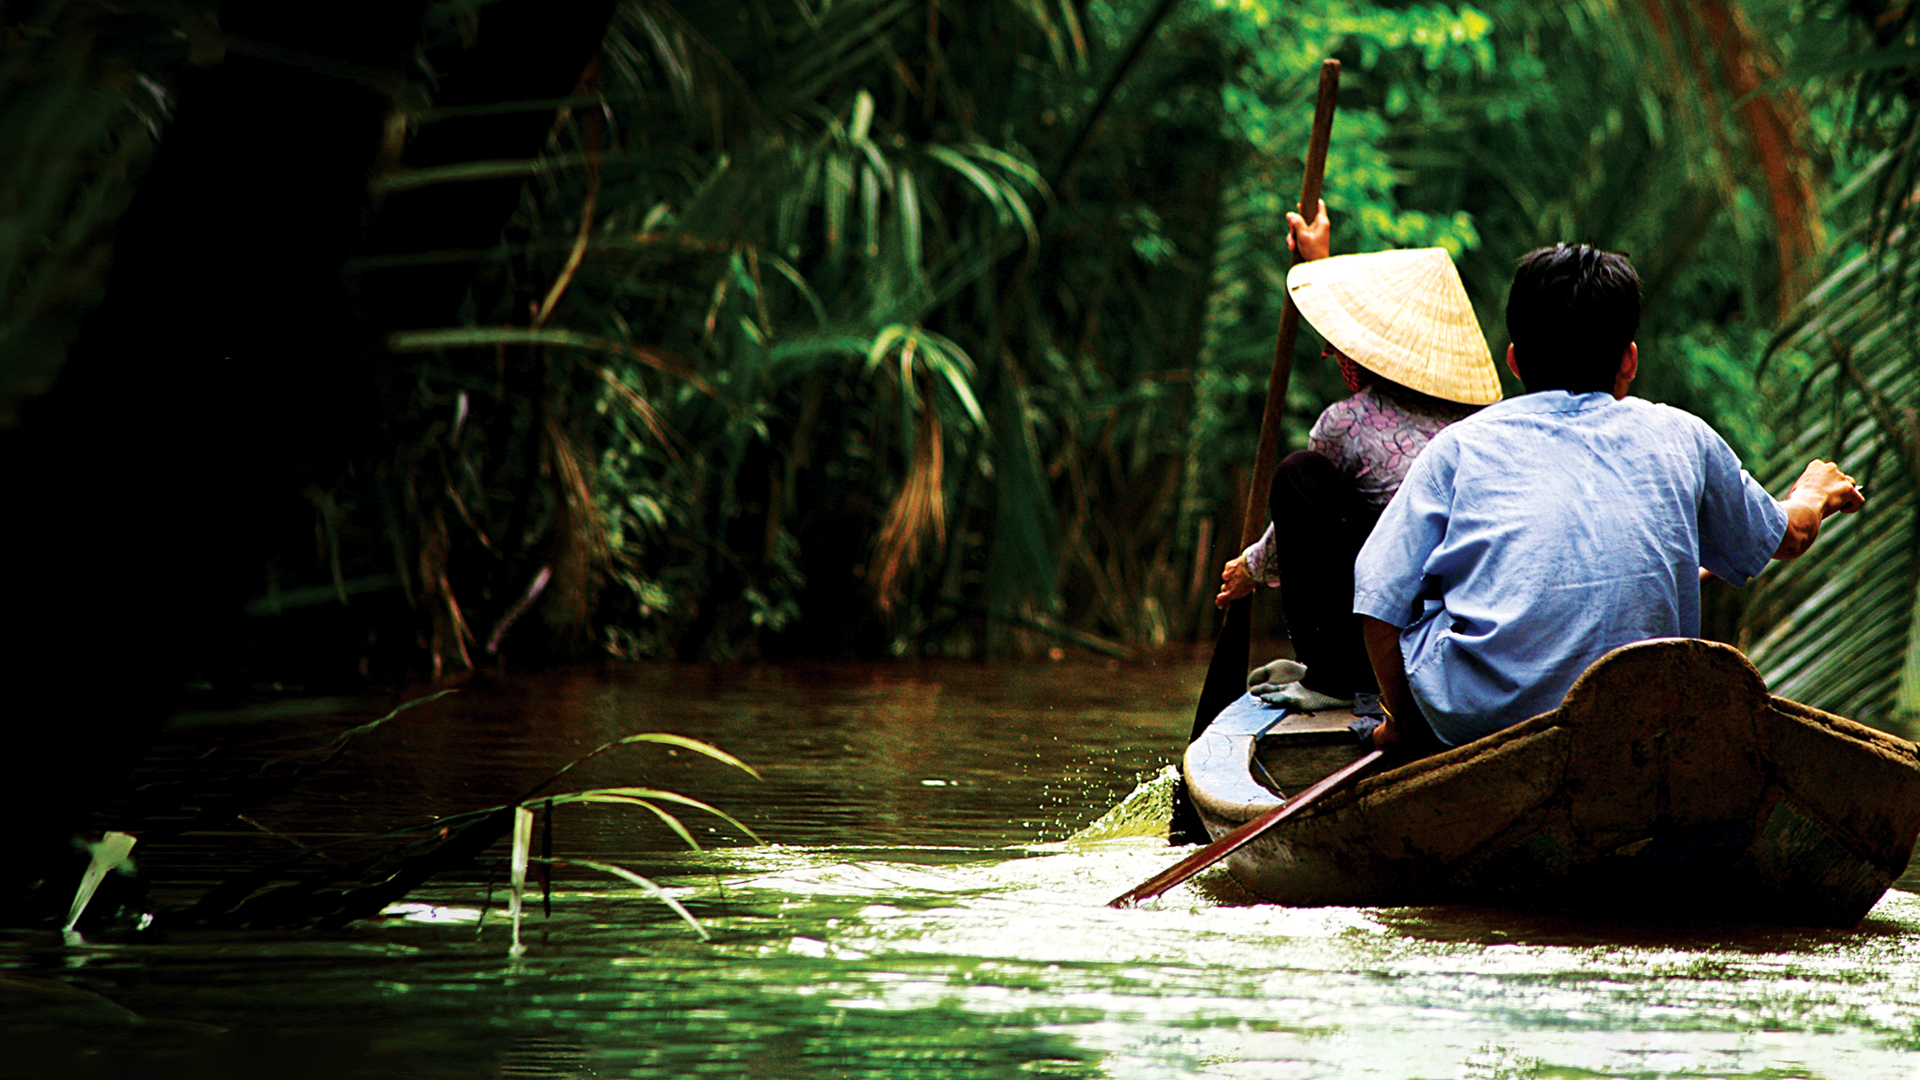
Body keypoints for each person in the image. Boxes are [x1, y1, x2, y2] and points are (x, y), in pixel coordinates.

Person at [1354, 243, 1866, 750]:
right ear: (1629, 361)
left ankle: (1407, 725)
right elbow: (1790, 535)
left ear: (1513, 361)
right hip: (1640, 716)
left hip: (1479, 725)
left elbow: (1378, 596)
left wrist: (1408, 722)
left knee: (1424, 591)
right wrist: (1814, 491)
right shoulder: (1682, 435)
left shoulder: (1459, 447)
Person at [1216, 203, 1503, 713]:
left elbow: (1296, 526)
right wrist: (1318, 260)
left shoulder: (1344, 421)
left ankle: (1330, 677)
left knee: (1298, 477)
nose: (1331, 354)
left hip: (1390, 632)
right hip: (1471, 626)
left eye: (1340, 349)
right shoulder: (1483, 419)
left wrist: (1250, 570)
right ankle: (1336, 670)